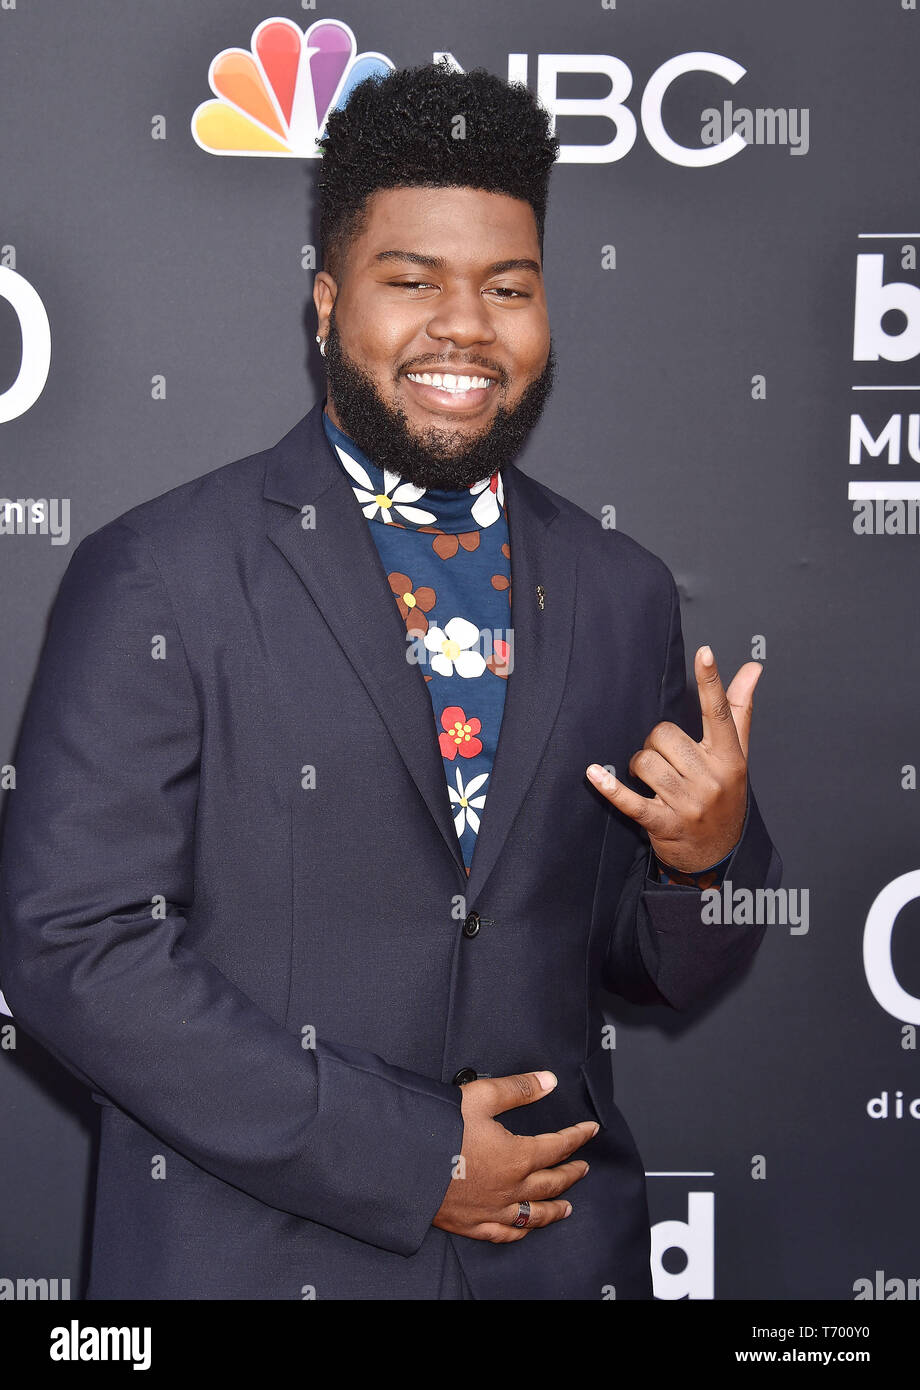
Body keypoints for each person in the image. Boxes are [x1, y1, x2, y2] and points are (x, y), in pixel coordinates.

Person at [0, 63, 781, 1300]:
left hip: (553, 1264)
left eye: (507, 288)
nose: (463, 325)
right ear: (323, 305)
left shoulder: (618, 586)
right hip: (247, 1263)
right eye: (409, 281)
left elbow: (656, 965)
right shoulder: (159, 574)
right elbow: (71, 950)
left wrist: (704, 862)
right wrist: (411, 1154)